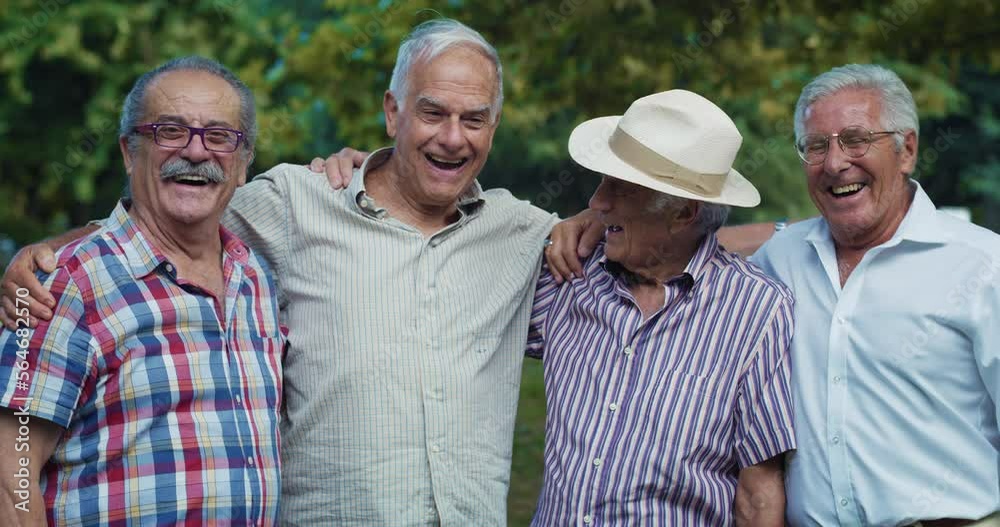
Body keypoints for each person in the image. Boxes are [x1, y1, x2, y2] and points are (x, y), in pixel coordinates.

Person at [2, 20, 557, 525]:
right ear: (393, 113)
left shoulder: (523, 235)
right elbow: (10, 473)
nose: (453, 136)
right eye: (433, 112)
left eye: (474, 119)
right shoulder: (295, 205)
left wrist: (600, 212)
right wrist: (46, 252)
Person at [547, 64, 1000, 526]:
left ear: (907, 150)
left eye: (856, 139)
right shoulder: (781, 260)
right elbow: (689, 246)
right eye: (816, 145)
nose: (835, 162)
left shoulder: (983, 268)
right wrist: (600, 221)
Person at [0, 56, 284, 525]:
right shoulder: (67, 283)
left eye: (218, 137)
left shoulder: (256, 278)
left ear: (243, 163)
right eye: (170, 131)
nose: (195, 152)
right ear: (130, 152)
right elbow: (12, 472)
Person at [525, 89, 794, 526]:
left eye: (619, 188)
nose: (596, 203)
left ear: (683, 213)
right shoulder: (568, 273)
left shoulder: (758, 313)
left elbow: (758, 493)